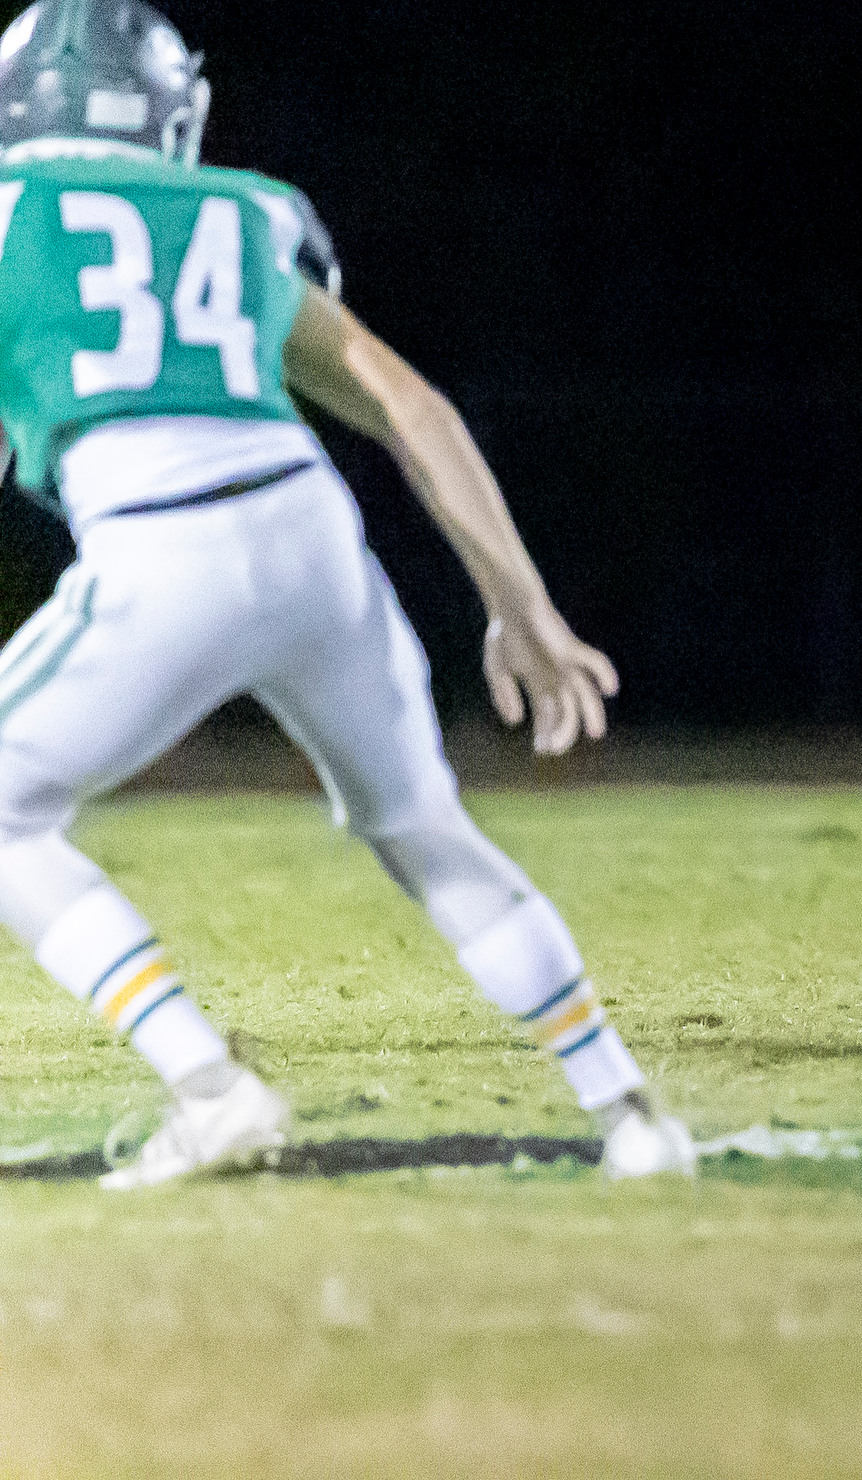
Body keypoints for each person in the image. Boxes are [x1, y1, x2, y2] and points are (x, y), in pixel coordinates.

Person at [0, 0, 693, 1184]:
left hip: (161, 544)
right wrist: (520, 605)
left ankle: (210, 1085)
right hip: (312, 529)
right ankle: (632, 1115)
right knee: (424, 827)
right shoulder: (245, 213)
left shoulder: (12, 212)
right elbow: (405, 405)